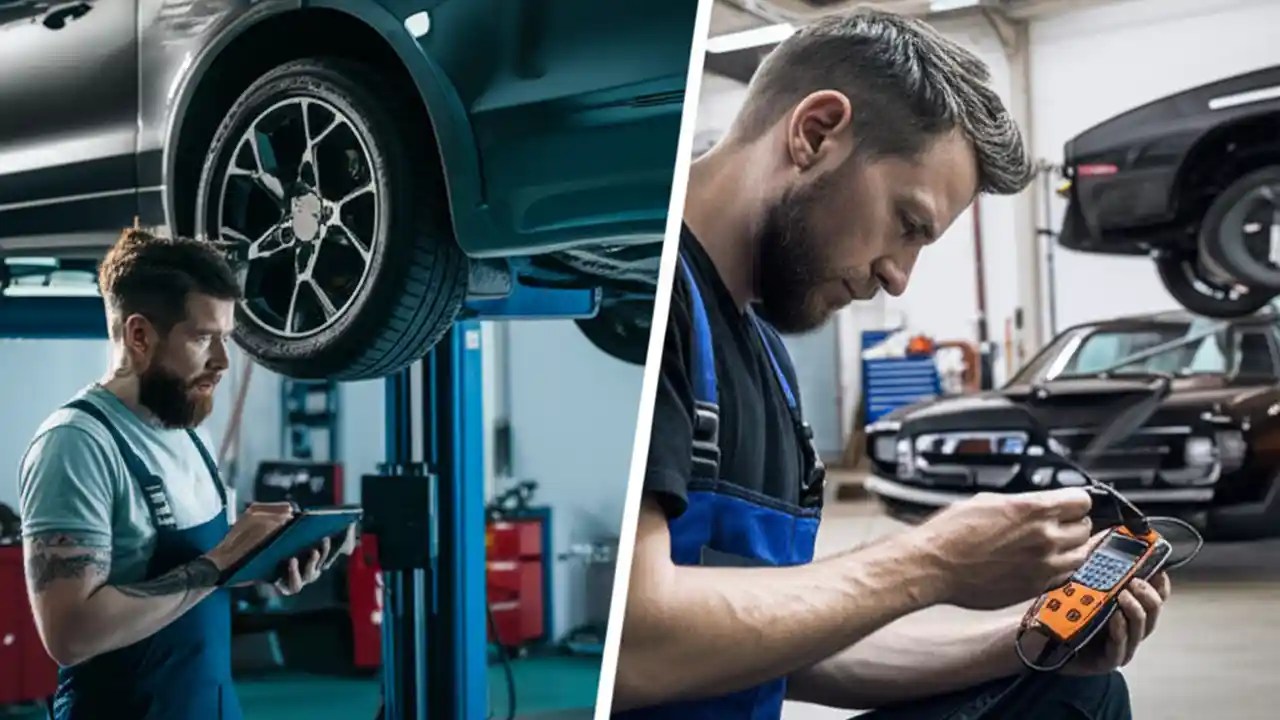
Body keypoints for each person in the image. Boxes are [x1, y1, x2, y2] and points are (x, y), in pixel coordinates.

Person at [612, 9, 1168, 720]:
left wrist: (1024, 640)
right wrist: (932, 562)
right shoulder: (652, 305)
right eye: (909, 224)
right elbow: (635, 642)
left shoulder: (768, 362)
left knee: (1068, 689)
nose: (899, 276)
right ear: (815, 134)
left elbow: (779, 641)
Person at [17, 227, 353, 720]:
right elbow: (70, 635)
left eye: (226, 339)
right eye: (203, 338)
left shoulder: (184, 429)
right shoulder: (77, 444)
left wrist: (262, 558)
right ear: (139, 335)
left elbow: (190, 582)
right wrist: (221, 560)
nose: (222, 362)